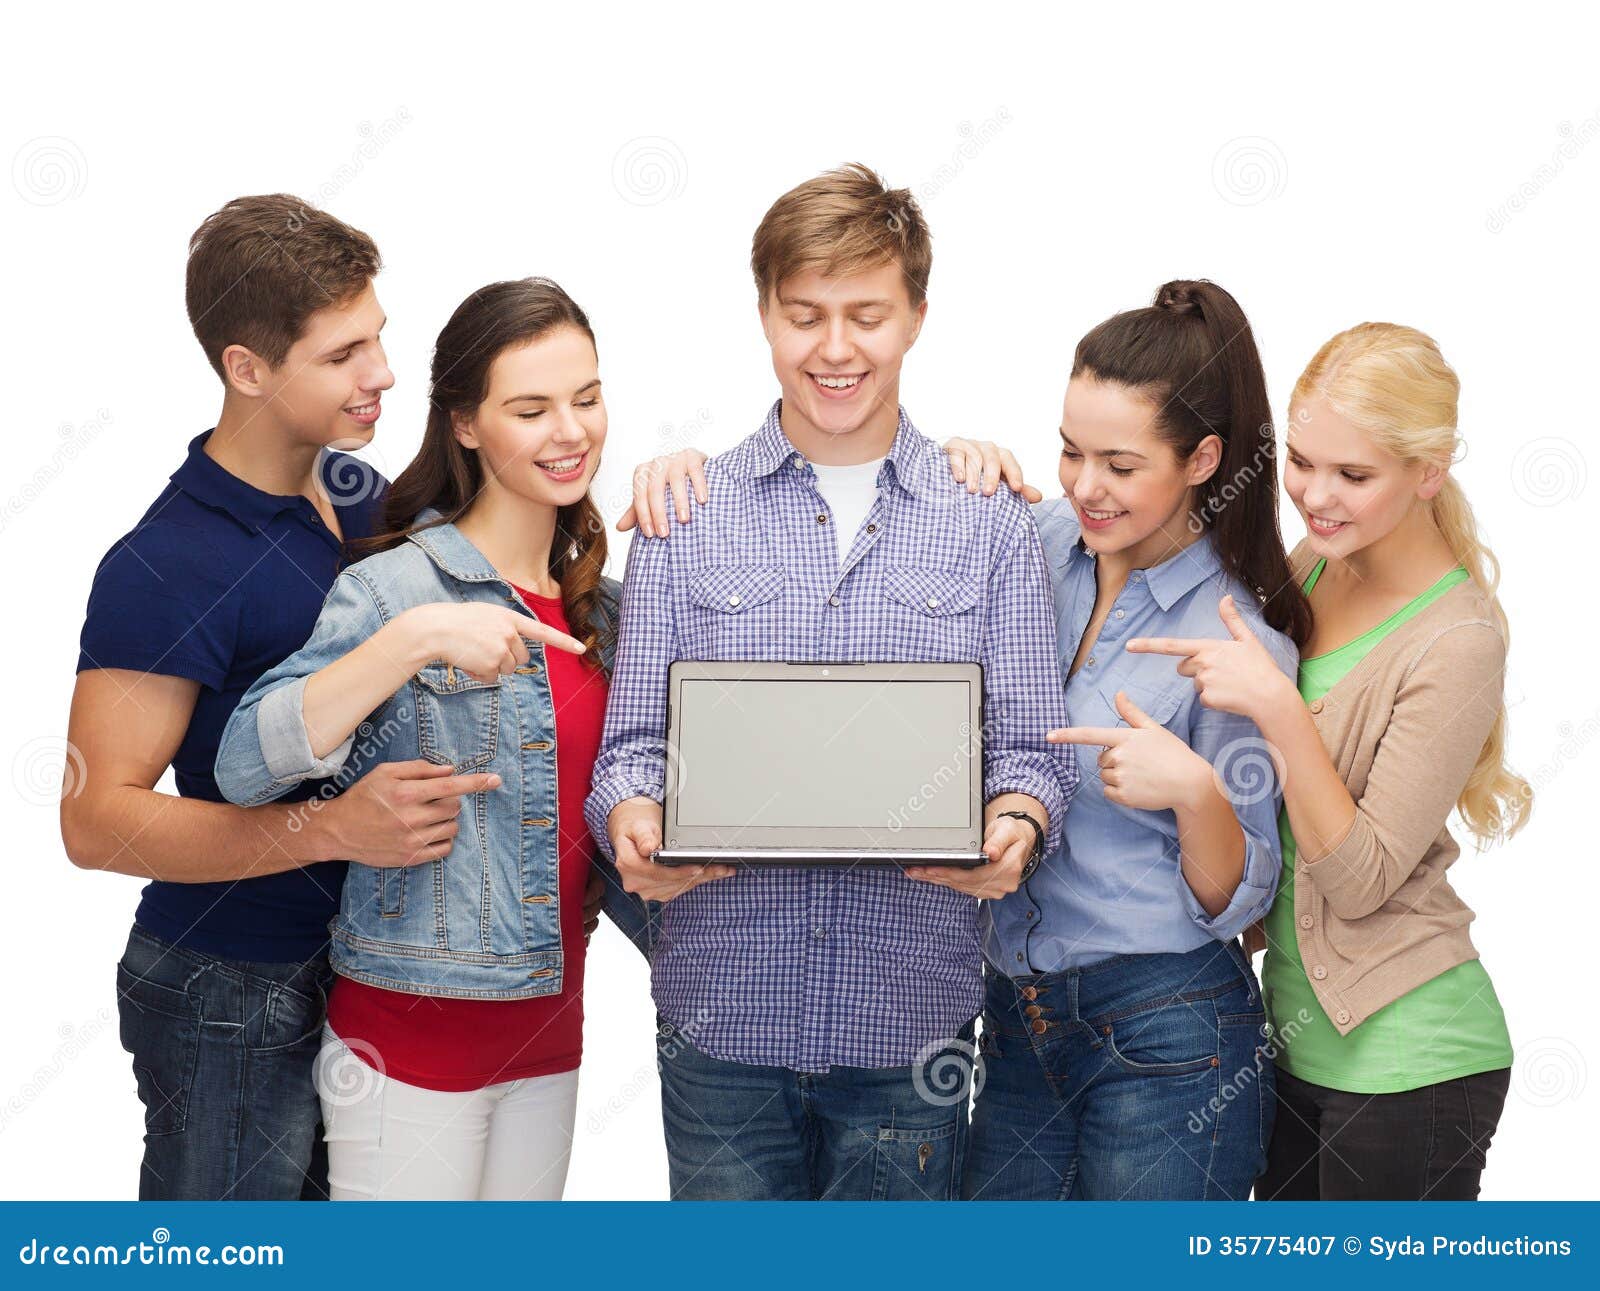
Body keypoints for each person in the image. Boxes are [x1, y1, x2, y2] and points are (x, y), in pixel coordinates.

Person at [584, 164, 1076, 1201]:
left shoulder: (986, 519)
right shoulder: (687, 509)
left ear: (915, 318)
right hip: (721, 1008)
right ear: (764, 313)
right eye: (804, 315)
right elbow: (630, 745)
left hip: (911, 1013)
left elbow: (1029, 745)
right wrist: (628, 814)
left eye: (866, 314)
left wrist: (1017, 824)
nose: (835, 348)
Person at [62, 195, 501, 1200]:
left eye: (379, 338)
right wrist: (331, 829)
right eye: (343, 353)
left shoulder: (352, 491)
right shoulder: (165, 563)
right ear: (246, 368)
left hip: (361, 973)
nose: (383, 373)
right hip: (229, 990)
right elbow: (94, 822)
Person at [214, 278, 618, 1200]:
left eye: (587, 398)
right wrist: (415, 639)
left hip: (551, 1041)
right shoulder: (396, 589)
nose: (571, 431)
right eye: (531, 408)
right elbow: (244, 764)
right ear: (466, 426)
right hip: (403, 1043)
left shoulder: (604, 609)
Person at [1127, 323, 1527, 1200]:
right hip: (1294, 1039)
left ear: (1430, 470)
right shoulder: (1317, 567)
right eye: (1303, 463)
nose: (1315, 494)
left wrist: (1275, 705)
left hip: (1413, 1063)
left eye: (1354, 475)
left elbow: (1362, 878)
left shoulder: (1458, 639)